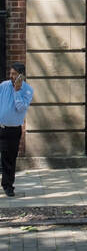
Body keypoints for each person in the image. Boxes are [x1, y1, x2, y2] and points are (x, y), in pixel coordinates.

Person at [0, 62, 34, 197]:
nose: (11, 76)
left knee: (9, 159)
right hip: (0, 126)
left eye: (14, 74)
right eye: (10, 73)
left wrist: (17, 91)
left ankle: (8, 186)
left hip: (13, 130)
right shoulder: (3, 86)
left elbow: (21, 108)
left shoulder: (28, 90)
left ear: (21, 75)